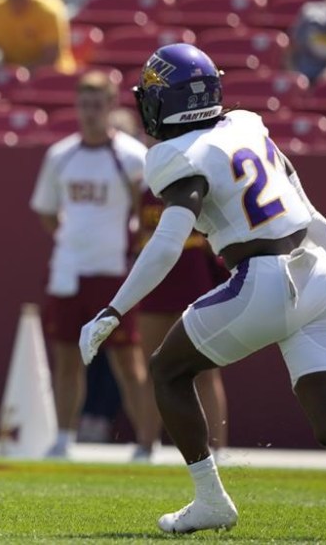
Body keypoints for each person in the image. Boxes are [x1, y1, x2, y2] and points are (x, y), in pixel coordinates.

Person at [78, 43, 326, 541]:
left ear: (166, 102)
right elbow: (310, 214)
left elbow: (168, 244)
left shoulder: (175, 154)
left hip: (264, 278)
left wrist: (113, 308)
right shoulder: (247, 125)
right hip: (324, 279)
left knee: (168, 372)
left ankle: (211, 500)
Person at [30, 70, 151, 459]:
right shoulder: (61, 155)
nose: (91, 113)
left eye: (98, 105)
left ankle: (148, 443)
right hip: (68, 270)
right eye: (84, 105)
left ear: (112, 106)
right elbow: (47, 211)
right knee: (66, 357)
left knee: (127, 360)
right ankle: (64, 438)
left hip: (113, 272)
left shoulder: (133, 157)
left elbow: (145, 210)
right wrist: (71, 238)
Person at [134, 187, 229, 462]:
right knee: (151, 367)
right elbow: (140, 228)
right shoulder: (141, 184)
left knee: (205, 371)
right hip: (155, 282)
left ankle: (218, 449)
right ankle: (145, 444)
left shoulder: (198, 181)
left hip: (192, 278)